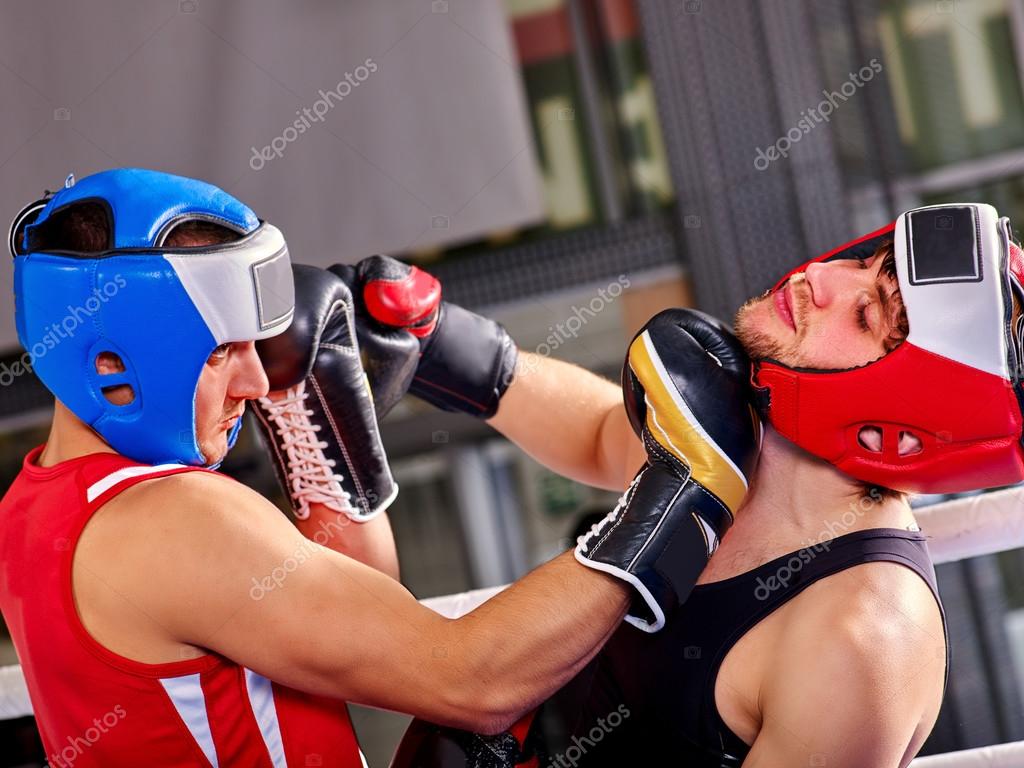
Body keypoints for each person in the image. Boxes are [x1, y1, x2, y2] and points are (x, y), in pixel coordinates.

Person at [0, 168, 759, 766]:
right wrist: (678, 490)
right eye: (219, 352)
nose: (256, 384)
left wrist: (315, 418)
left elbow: (344, 609)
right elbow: (476, 680)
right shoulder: (170, 520)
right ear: (112, 363)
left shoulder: (34, 510)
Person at [350, 204, 1024, 766]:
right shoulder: (743, 431)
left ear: (902, 429)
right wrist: (436, 344)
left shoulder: (865, 639)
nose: (820, 278)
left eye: (867, 314)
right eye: (861, 262)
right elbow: (596, 434)